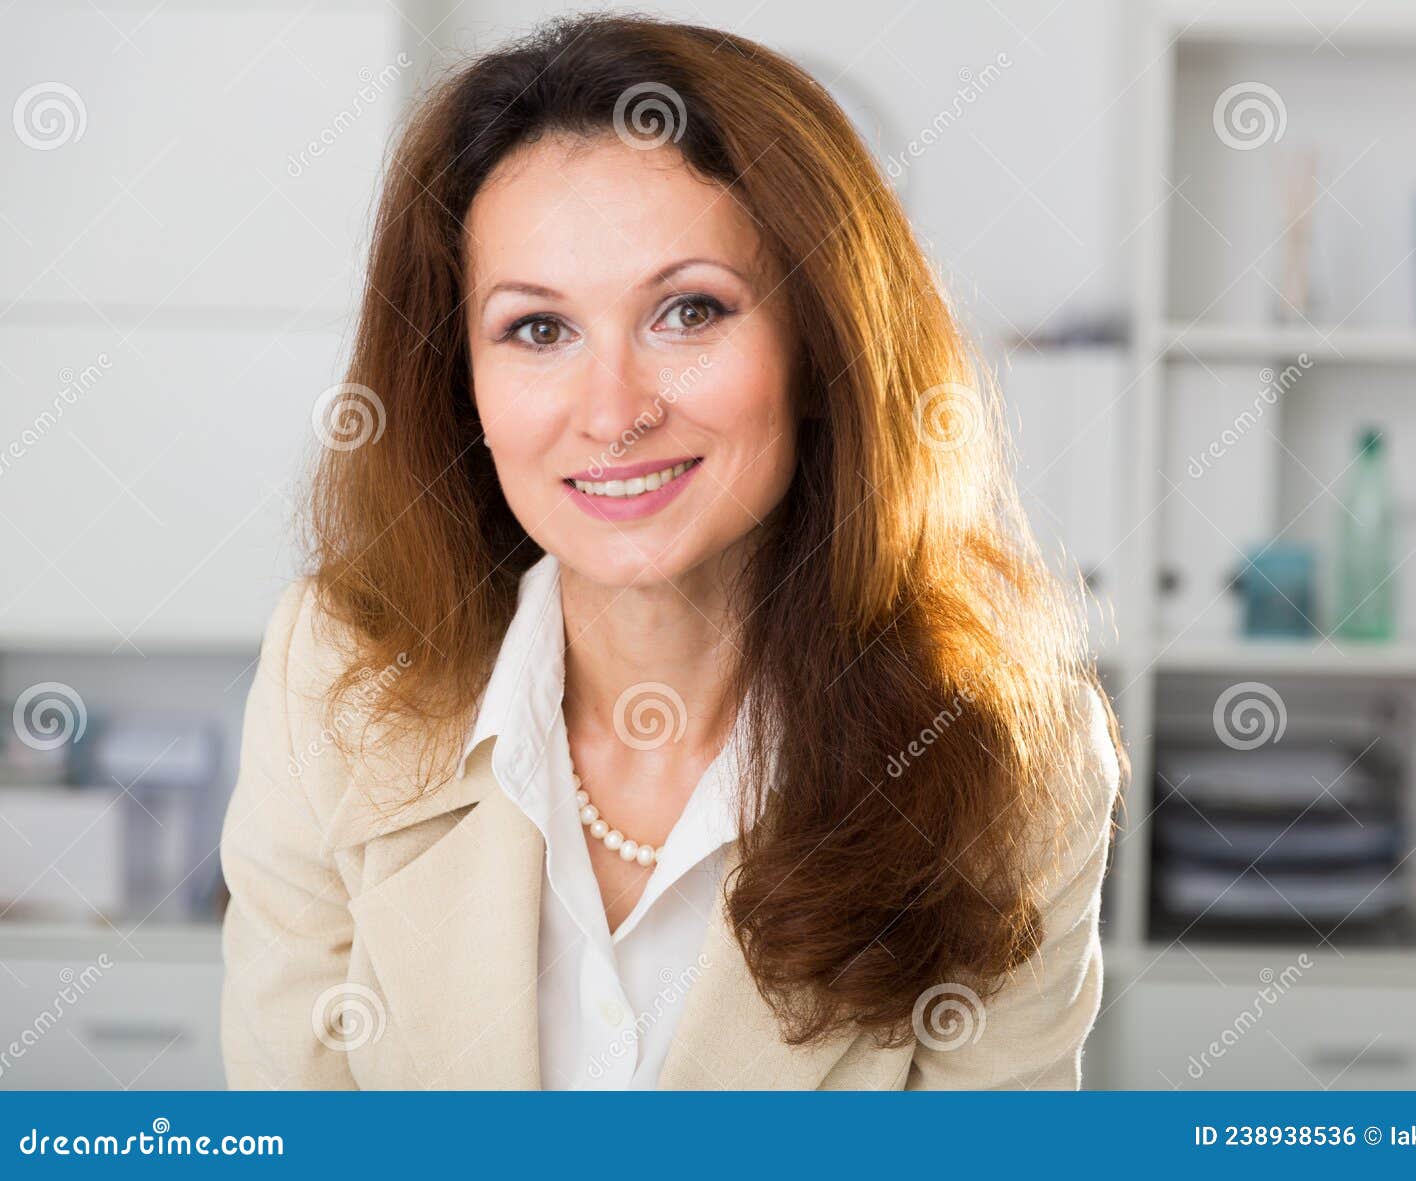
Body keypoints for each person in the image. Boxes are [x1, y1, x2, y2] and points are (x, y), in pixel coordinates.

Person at [219, 11, 1125, 1091]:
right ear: (460, 380)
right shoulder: (330, 675)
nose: (611, 413)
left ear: (820, 342)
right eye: (537, 329)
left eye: (688, 311)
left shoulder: (1009, 756)